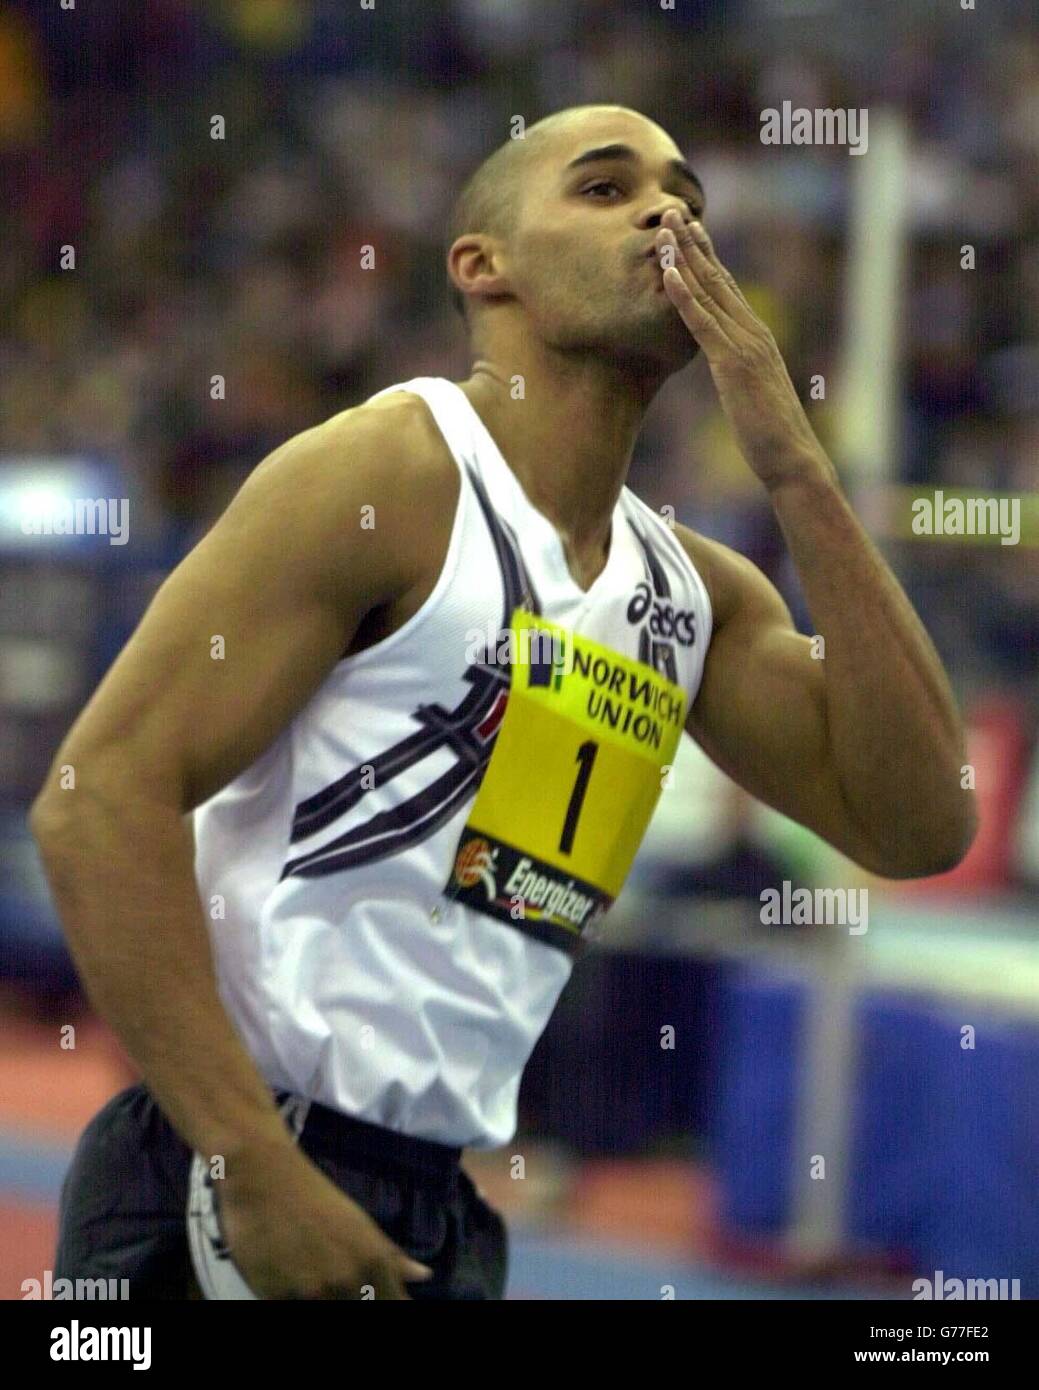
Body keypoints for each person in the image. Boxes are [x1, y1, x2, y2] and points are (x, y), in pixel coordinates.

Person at [30, 104, 977, 1301]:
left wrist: (794, 462)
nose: (667, 213)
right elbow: (95, 796)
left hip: (441, 1206)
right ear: (485, 267)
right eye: (603, 187)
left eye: (684, 192)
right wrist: (247, 1161)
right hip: (226, 1172)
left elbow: (922, 823)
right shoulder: (389, 476)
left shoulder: (687, 595)